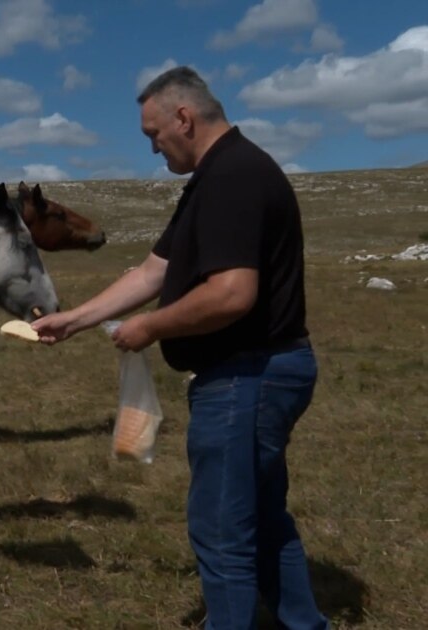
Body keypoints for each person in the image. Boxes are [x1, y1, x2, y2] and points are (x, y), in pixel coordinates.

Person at [32, 66, 328, 630]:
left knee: (221, 526)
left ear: (184, 118)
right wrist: (75, 318)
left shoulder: (233, 178)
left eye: (153, 135)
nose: (153, 148)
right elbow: (152, 272)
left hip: (249, 375)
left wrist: (152, 328)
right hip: (259, 371)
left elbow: (233, 293)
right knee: (261, 516)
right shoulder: (214, 179)